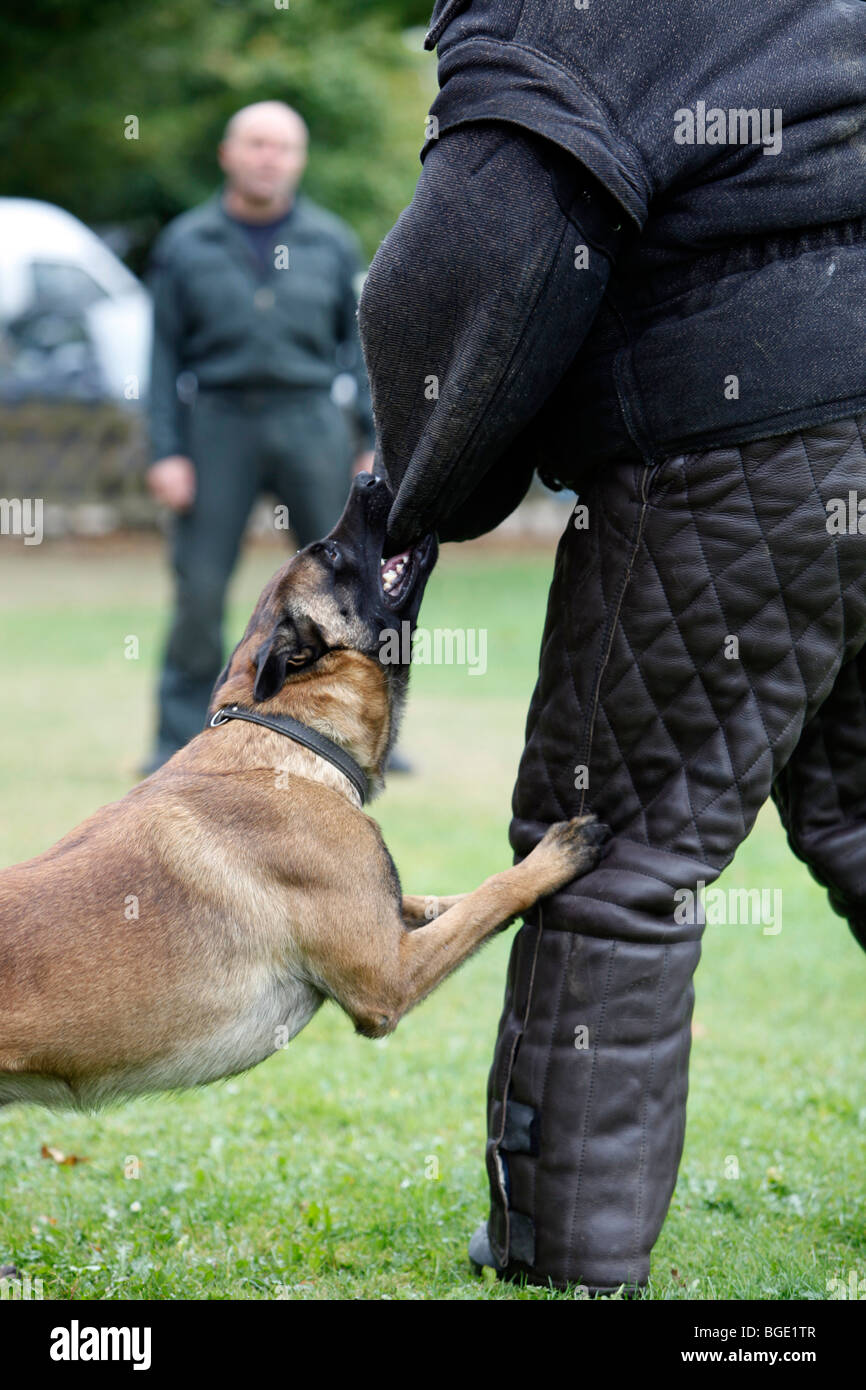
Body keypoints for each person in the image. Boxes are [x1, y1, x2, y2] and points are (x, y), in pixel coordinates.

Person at [356, 0, 866, 1294]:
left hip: (739, 454)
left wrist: (416, 497)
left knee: (613, 856)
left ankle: (563, 1253)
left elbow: (474, 257)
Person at [143, 101, 375, 772]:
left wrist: (369, 437)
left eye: (283, 147)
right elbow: (160, 358)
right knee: (200, 587)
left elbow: (358, 347)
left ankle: (359, 724)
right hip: (217, 423)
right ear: (228, 154)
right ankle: (177, 735)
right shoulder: (185, 243)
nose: (269, 157)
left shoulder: (331, 241)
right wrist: (165, 450)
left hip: (311, 421)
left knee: (344, 589)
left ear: (299, 159)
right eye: (256, 144)